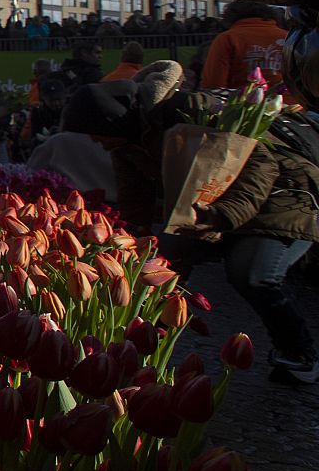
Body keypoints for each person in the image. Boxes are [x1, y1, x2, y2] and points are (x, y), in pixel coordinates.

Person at [68, 73, 319, 385]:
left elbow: (260, 166)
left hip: (283, 196)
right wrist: (130, 241)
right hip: (209, 205)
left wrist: (223, 215)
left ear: (113, 121)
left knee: (252, 272)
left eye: (95, 133)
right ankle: (140, 343)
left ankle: (300, 354)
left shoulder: (190, 111)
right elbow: (135, 201)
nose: (95, 142)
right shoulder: (126, 144)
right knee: (162, 262)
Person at [201, 1, 287, 89]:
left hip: (241, 96)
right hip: (287, 96)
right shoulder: (287, 37)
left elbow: (214, 82)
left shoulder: (227, 38)